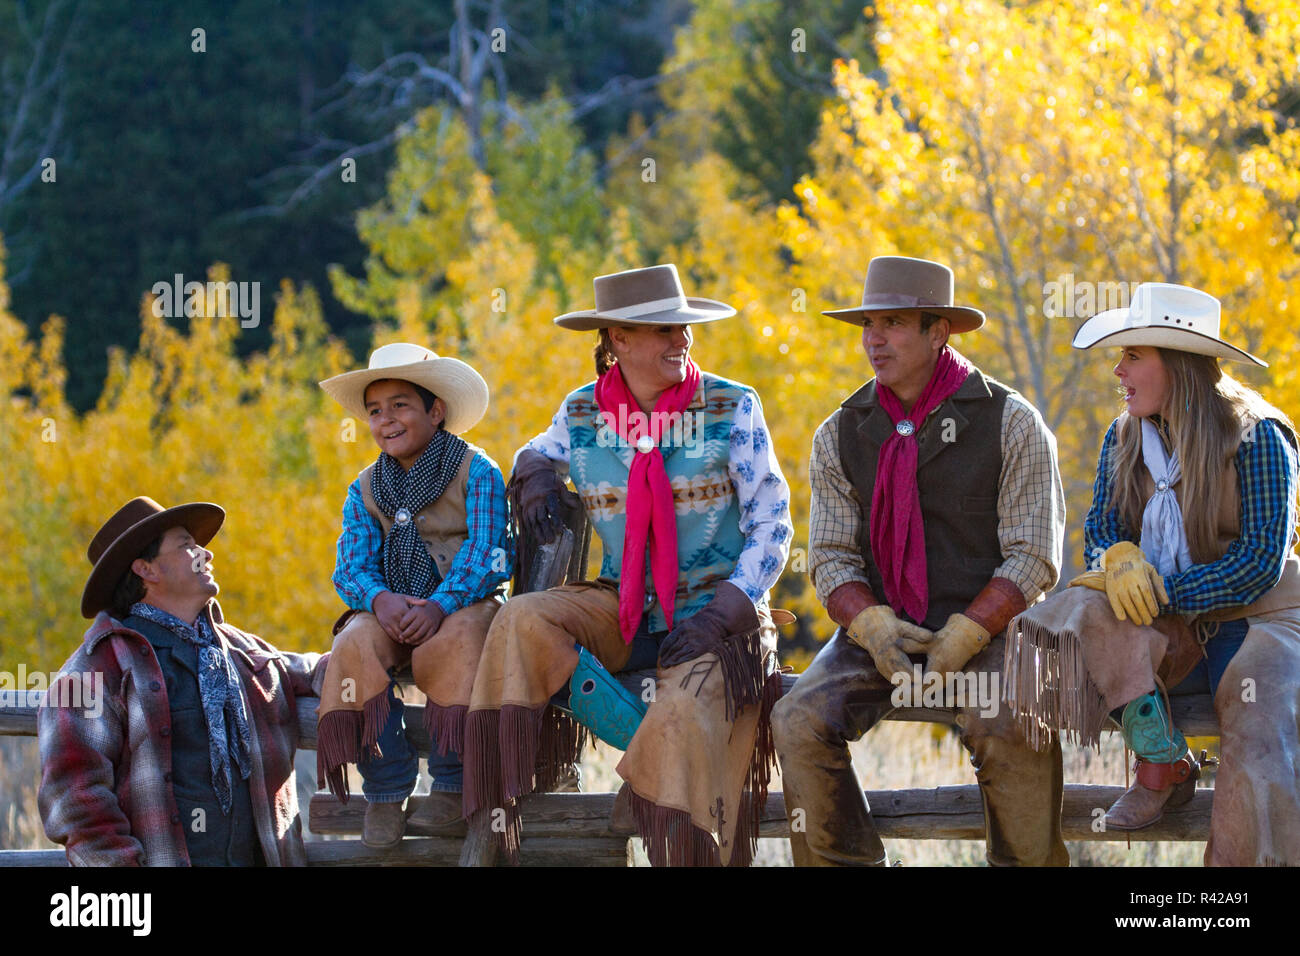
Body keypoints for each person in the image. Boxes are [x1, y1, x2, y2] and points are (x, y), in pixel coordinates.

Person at [461, 263, 793, 866]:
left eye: (683, 328)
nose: (681, 339)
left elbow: (773, 528)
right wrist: (532, 470)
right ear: (618, 341)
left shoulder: (732, 406)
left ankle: (652, 794)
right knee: (521, 620)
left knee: (686, 709)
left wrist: (724, 614)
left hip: (718, 609)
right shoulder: (583, 411)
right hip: (625, 600)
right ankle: (517, 795)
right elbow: (538, 447)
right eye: (663, 328)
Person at [773, 255, 1070, 866]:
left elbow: (1034, 554)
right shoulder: (841, 431)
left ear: (940, 332)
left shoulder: (1011, 422)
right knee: (798, 719)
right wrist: (870, 623)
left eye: (894, 323)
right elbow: (829, 556)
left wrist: (970, 629)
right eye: (868, 324)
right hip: (881, 631)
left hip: (991, 633)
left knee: (1012, 726)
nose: (874, 339)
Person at [1004, 282, 1300, 865]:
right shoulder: (1124, 436)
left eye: (1133, 356)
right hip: (1172, 614)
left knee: (1259, 737)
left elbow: (1260, 562)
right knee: (1076, 610)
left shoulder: (1260, 435)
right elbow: (1100, 527)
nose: (1118, 370)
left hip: (1259, 614)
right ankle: (1160, 754)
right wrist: (1117, 558)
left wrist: (1163, 593)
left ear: (1179, 363)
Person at [38, 497, 328, 866]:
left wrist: (373, 634)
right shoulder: (93, 672)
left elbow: (317, 670)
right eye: (186, 546)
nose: (205, 555)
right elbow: (74, 801)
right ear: (146, 570)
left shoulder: (242, 653)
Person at [316, 343, 512, 848]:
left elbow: (486, 551)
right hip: (393, 606)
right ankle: (385, 787)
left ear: (436, 410)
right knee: (353, 645)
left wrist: (442, 605)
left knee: (460, 638)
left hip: (463, 601)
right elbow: (350, 566)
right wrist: (381, 600)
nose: (386, 421)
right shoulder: (365, 487)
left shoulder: (477, 470)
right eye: (375, 412)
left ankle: (452, 780)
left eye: (401, 405)